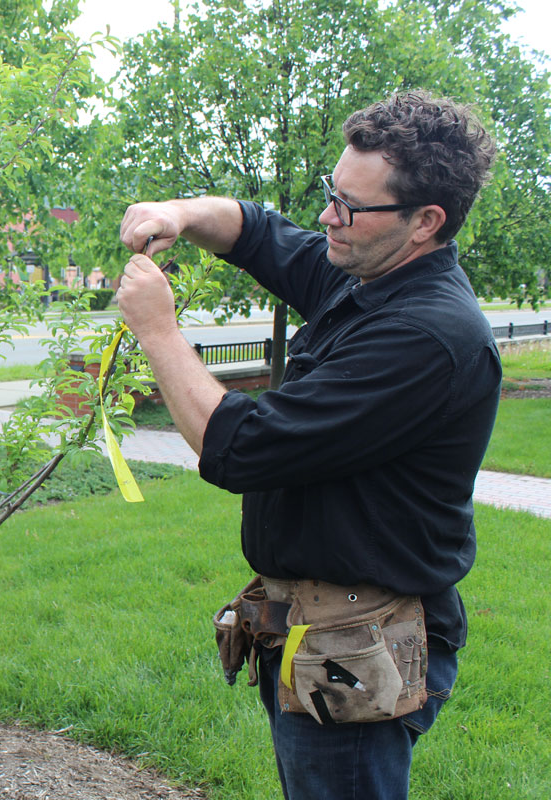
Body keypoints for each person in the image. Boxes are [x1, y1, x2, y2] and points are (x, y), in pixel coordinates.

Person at [116, 90, 500, 800]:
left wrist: (158, 332)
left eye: (350, 205)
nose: (328, 215)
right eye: (332, 193)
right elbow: (254, 230)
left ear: (425, 222)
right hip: (314, 629)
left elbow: (239, 447)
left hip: (361, 641)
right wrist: (178, 214)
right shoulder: (366, 275)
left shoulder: (424, 337)